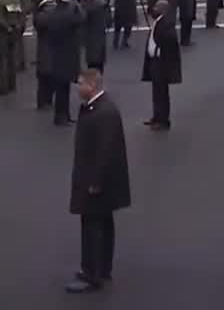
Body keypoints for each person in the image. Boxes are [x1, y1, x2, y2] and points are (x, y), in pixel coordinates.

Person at [65, 68, 131, 295]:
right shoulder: (100, 108)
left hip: (96, 181)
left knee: (92, 226)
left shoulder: (102, 113)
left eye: (81, 84)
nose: (77, 88)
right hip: (104, 181)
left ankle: (91, 273)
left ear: (91, 86)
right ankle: (103, 268)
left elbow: (104, 151)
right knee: (103, 223)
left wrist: (94, 181)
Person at [39, 0, 84, 126]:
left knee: (63, 88)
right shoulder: (67, 16)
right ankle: (61, 116)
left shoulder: (55, 14)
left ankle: (64, 115)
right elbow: (81, 18)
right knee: (63, 89)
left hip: (58, 54)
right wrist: (78, 6)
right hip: (65, 55)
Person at [141, 0, 181, 131]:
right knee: (156, 91)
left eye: (157, 7)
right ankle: (157, 116)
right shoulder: (159, 22)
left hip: (162, 62)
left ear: (163, 9)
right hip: (155, 61)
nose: (154, 9)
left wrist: (158, 50)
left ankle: (163, 120)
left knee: (161, 92)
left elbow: (170, 42)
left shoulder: (166, 24)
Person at [83, 0, 108, 72]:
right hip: (101, 34)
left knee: (92, 61)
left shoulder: (89, 6)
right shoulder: (103, 5)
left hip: (91, 34)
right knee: (100, 61)